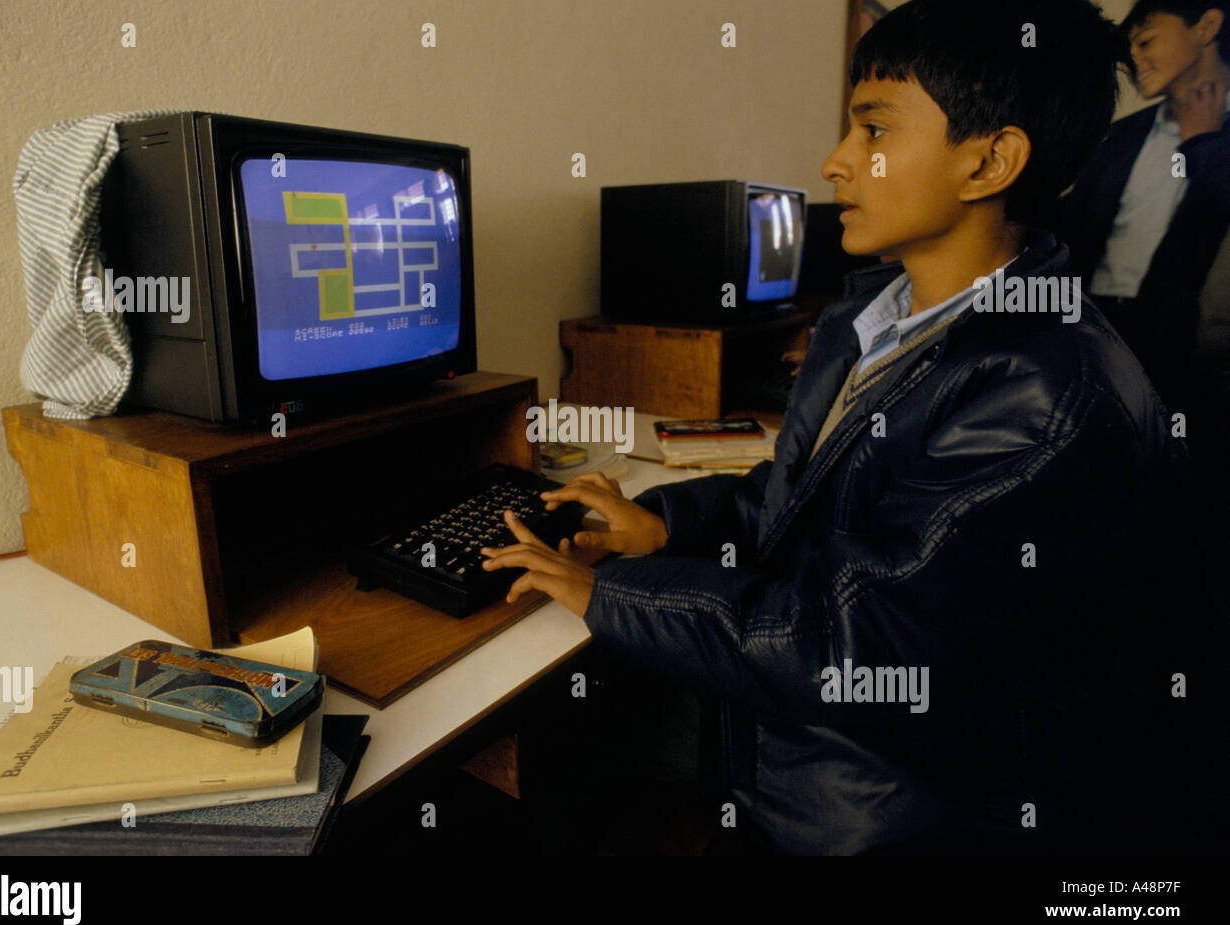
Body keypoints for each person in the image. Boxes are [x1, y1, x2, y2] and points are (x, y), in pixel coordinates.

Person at [483, 0, 1207, 854]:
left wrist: (607, 595)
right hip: (817, 755)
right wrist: (667, 523)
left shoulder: (1043, 397)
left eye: (873, 130)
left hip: (893, 808)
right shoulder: (882, 316)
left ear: (989, 161)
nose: (834, 162)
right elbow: (805, 497)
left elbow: (848, 645)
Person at [1058, 0, 1230, 420]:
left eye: (1146, 41)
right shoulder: (1120, 135)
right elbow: (1068, 228)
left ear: (1207, 27)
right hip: (1094, 330)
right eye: (1127, 49)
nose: (1133, 59)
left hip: (1189, 353)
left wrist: (1203, 145)